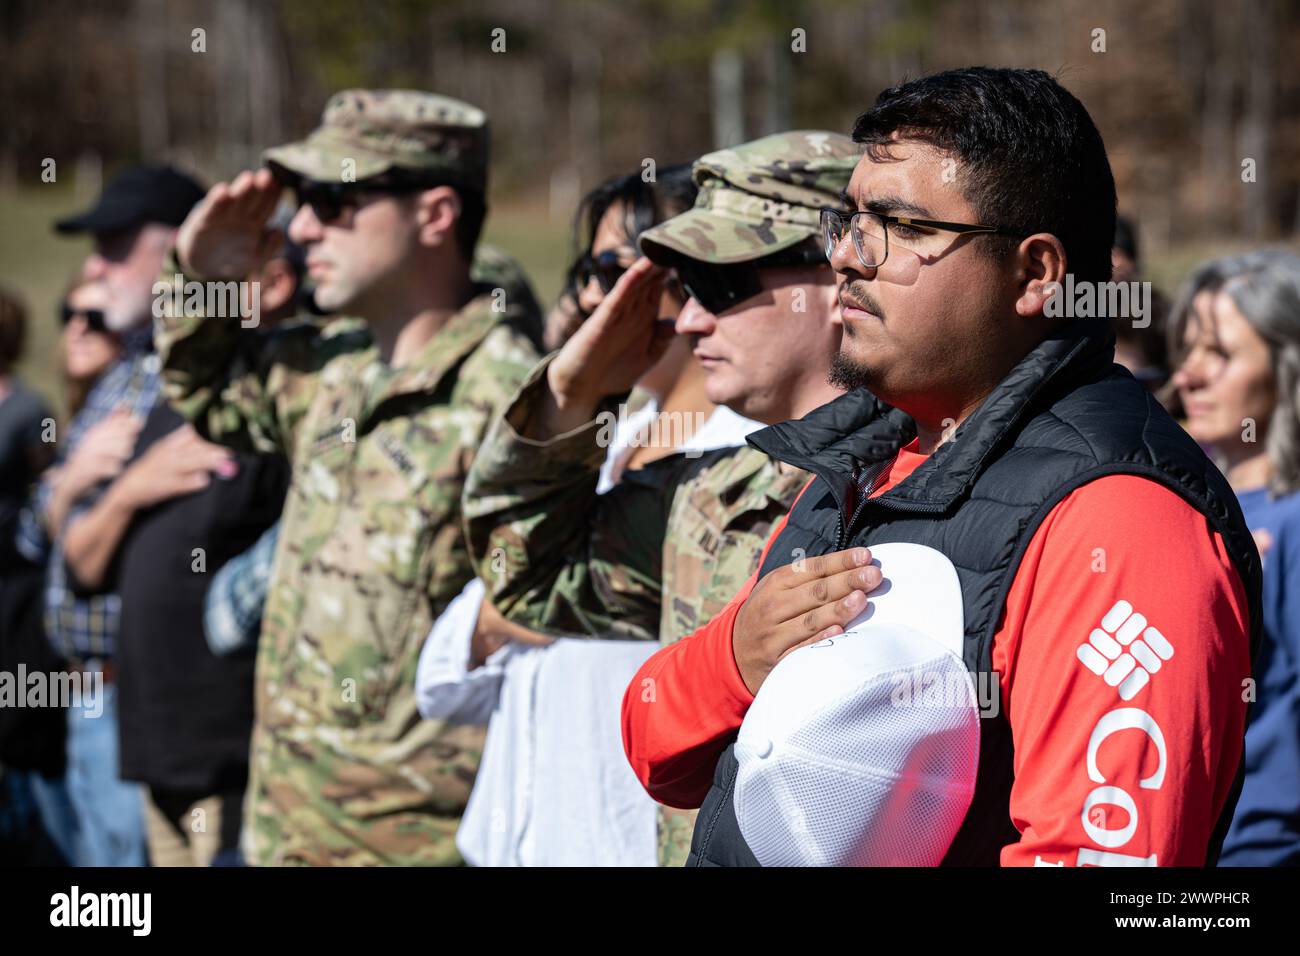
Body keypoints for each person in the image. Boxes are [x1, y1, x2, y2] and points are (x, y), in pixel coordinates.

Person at [622, 67, 1260, 867]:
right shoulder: (857, 461)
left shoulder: (1124, 521)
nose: (848, 259)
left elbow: (1102, 861)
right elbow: (660, 752)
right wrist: (734, 658)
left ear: (1036, 274)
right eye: (848, 221)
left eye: (900, 226)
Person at [156, 89, 544, 866]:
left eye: (335, 200)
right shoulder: (330, 372)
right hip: (280, 836)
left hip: (411, 849)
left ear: (435, 214)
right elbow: (201, 389)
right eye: (305, 203)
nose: (302, 228)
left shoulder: (515, 408)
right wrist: (201, 275)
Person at [462, 130, 860, 865]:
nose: (687, 319)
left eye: (723, 286)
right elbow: (527, 574)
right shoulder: (708, 495)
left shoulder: (937, 474)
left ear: (839, 278)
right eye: (686, 289)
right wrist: (575, 397)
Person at [59, 235, 305, 867]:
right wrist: (128, 493)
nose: (190, 302)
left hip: (232, 752)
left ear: (273, 285)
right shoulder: (169, 403)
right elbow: (82, 569)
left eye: (213, 282)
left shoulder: (291, 404)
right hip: (152, 743)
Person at [21, 164, 206, 867]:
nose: (95, 270)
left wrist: (104, 492)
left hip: (143, 701)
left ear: (182, 249)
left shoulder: (193, 379)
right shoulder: (122, 373)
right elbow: (34, 530)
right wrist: (70, 482)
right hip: (82, 695)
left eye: (116, 246)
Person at [1169, 250, 1300, 866]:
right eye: (1188, 350)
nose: (1187, 375)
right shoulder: (1190, 505)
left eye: (1218, 354)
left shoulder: (1292, 523)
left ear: (1287, 368)